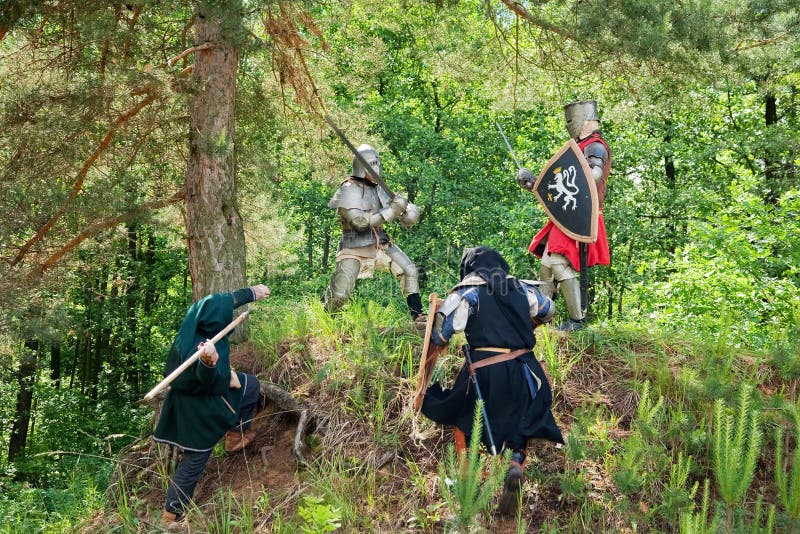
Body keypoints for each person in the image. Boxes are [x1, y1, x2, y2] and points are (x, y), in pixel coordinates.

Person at [420, 246, 563, 515]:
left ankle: (467, 480)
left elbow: (440, 335)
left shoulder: (468, 293)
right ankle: (516, 463)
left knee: (462, 416)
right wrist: (526, 323)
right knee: (522, 418)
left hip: (485, 372)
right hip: (525, 369)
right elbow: (548, 309)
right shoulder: (523, 289)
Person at [154, 284, 270, 525]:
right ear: (215, 322)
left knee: (249, 384)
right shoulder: (199, 347)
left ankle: (236, 434)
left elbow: (223, 302)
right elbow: (208, 381)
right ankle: (171, 514)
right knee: (195, 459)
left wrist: (251, 293)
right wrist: (209, 362)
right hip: (199, 408)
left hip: (183, 404)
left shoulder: (192, 327)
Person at [517, 100, 611, 331]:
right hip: (567, 215)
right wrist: (534, 183)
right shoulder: (579, 146)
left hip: (582, 215)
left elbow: (592, 177)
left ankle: (578, 320)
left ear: (585, 119)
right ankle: (539, 319)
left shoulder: (595, 146)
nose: (569, 125)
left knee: (558, 263)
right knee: (546, 266)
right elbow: (561, 187)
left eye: (571, 120)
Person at [323, 143, 424, 321]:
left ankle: (418, 316)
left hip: (380, 243)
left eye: (377, 164)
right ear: (361, 167)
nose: (376, 168)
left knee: (409, 270)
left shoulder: (378, 188)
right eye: (372, 165)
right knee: (339, 295)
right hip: (354, 246)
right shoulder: (348, 189)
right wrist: (392, 210)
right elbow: (360, 223)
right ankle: (325, 319)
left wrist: (408, 211)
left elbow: (401, 213)